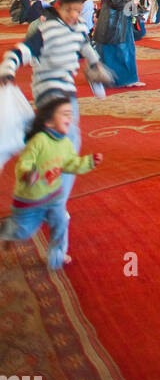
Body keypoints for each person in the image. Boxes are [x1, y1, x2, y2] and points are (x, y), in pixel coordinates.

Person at [0, 0, 112, 257]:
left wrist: (96, 67)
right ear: (59, 7)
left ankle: (45, 201)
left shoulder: (79, 27)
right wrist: (7, 70)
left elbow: (86, 46)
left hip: (67, 92)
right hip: (49, 93)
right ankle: (53, 203)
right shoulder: (45, 29)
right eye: (70, 10)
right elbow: (22, 51)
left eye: (77, 10)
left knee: (62, 142)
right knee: (67, 139)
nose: (74, 15)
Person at [0, 94, 102, 270]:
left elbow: (71, 164)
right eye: (64, 114)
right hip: (30, 200)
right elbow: (24, 163)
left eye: (70, 114)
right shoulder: (39, 141)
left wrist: (89, 162)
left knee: (61, 223)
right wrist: (28, 174)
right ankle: (6, 230)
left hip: (53, 198)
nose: (69, 118)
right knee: (23, 231)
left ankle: (57, 256)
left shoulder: (66, 144)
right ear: (48, 122)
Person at [93, 0, 143, 89]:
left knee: (125, 50)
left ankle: (127, 78)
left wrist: (135, 8)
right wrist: (133, 3)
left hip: (121, 21)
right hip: (115, 23)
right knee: (121, 51)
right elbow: (117, 3)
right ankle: (120, 79)